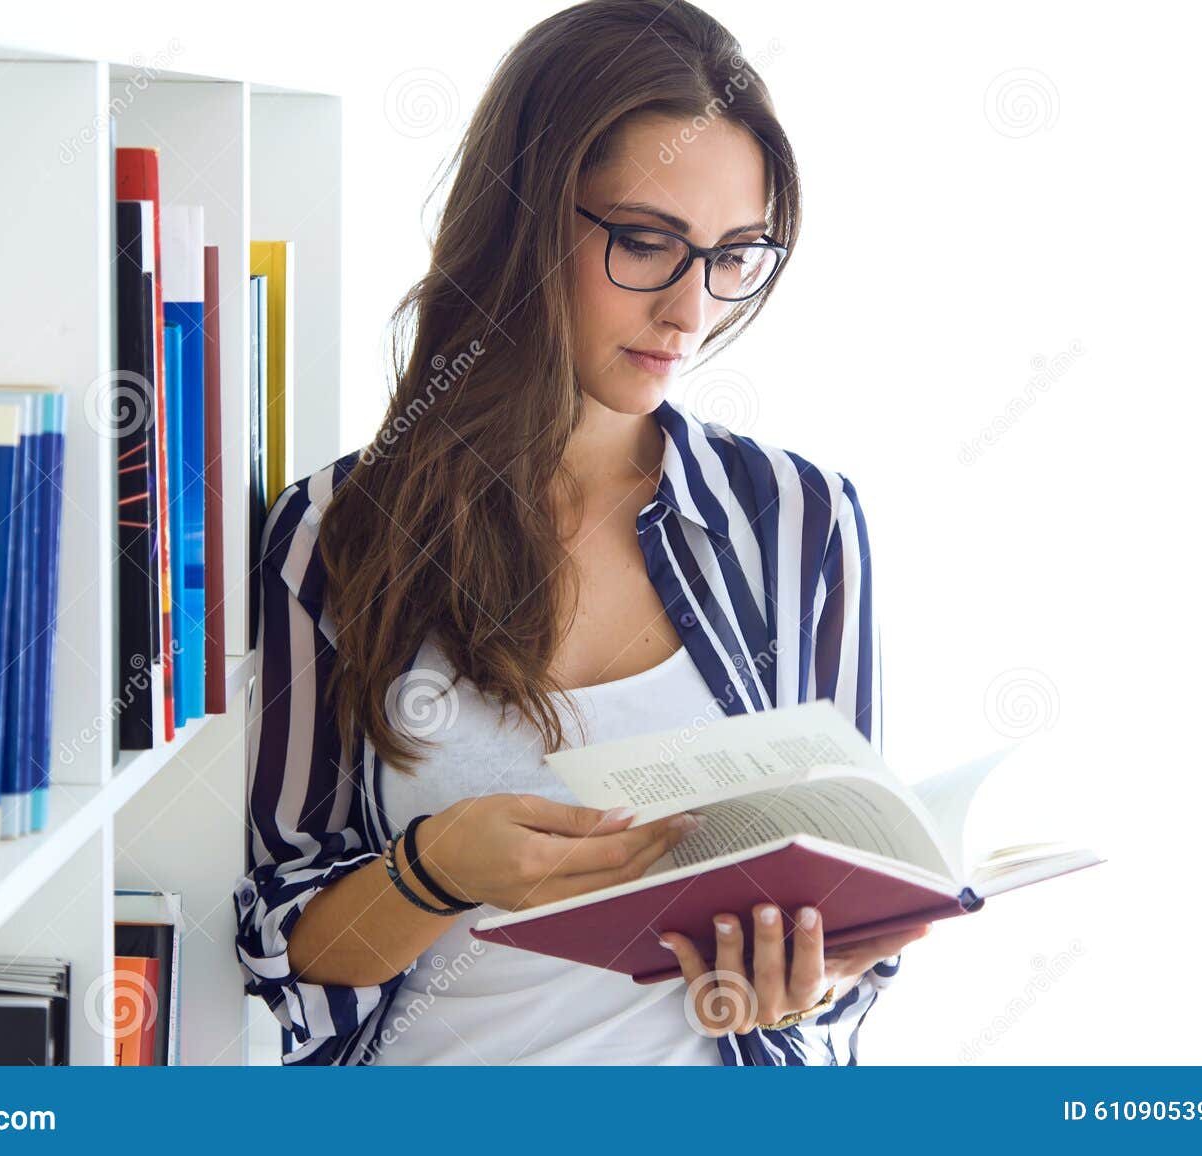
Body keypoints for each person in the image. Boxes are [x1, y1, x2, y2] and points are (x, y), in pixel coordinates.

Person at [233, 0, 928, 1066]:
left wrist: (807, 982)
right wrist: (435, 870)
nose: (689, 312)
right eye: (645, 243)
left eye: (733, 255)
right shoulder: (333, 535)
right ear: (523, 218)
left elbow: (851, 920)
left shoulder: (800, 521)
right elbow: (282, 945)